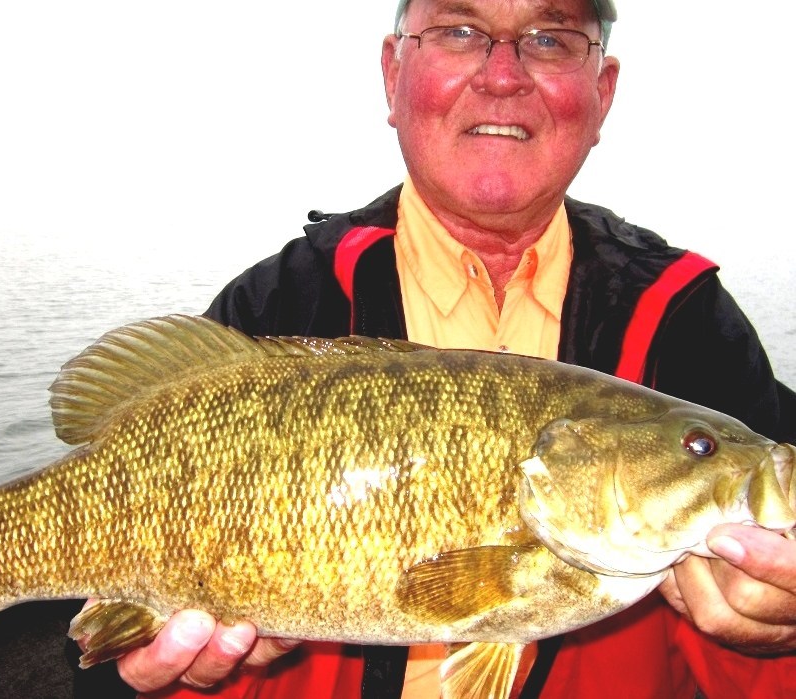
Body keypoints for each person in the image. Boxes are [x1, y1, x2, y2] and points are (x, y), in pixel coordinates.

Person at [107, 0, 796, 697]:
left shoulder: (690, 323)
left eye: (550, 38)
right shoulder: (265, 313)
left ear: (602, 91)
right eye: (459, 31)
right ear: (392, 72)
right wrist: (169, 681)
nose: (502, 76)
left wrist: (778, 623)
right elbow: (110, 667)